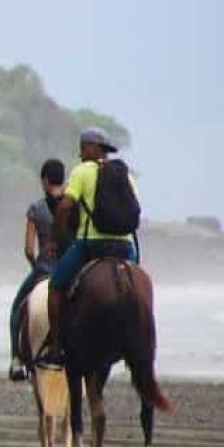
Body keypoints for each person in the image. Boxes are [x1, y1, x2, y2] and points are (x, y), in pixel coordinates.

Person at [44, 127, 139, 359]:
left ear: (94, 147)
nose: (80, 153)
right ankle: (136, 341)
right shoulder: (124, 174)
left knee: (55, 286)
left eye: (83, 146)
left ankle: (55, 346)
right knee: (137, 287)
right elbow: (135, 209)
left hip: (92, 244)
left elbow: (65, 207)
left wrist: (54, 240)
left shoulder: (82, 171)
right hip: (125, 246)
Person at [6, 158, 66, 381]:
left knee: (16, 309)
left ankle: (16, 359)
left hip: (44, 269)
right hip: (68, 268)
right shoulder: (72, 206)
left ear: (44, 181)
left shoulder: (36, 209)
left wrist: (36, 267)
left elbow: (28, 249)